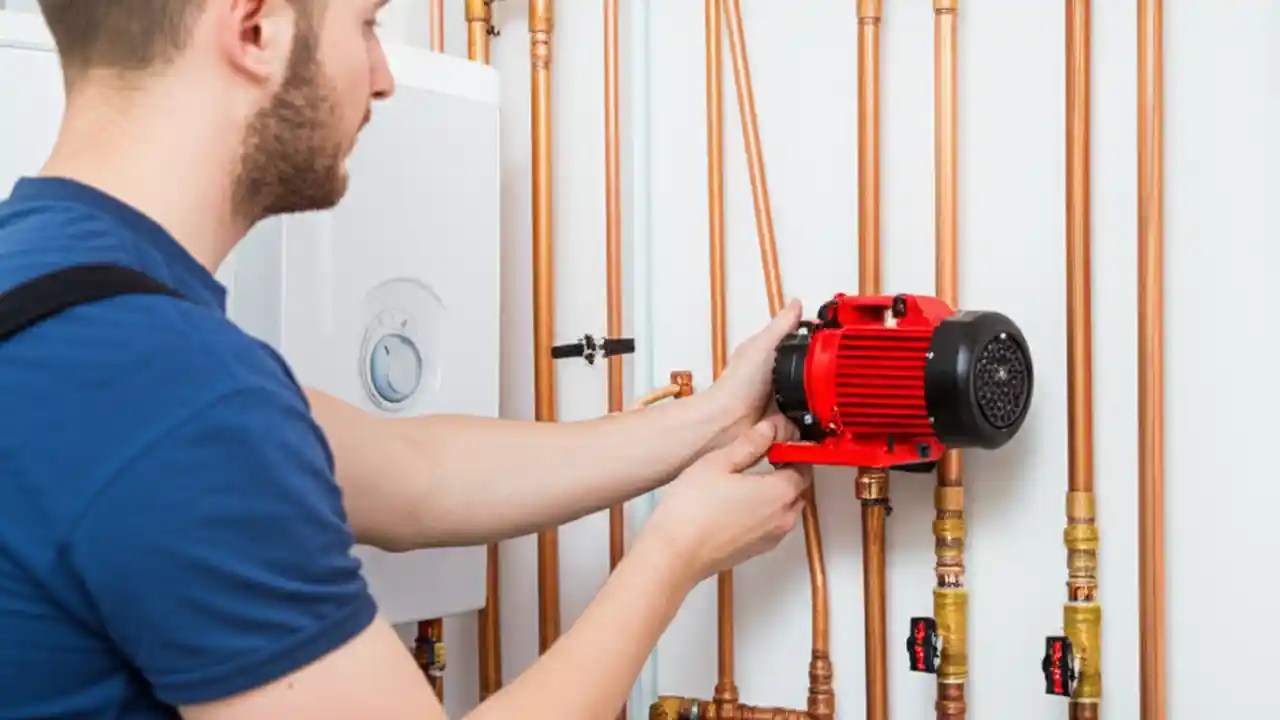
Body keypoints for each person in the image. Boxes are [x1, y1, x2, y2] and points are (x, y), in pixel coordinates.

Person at [0, 1, 813, 718]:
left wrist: (711, 416)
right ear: (256, 28)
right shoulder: (175, 391)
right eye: (367, 25)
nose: (384, 78)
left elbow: (415, 475)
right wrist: (672, 558)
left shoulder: (50, 290)